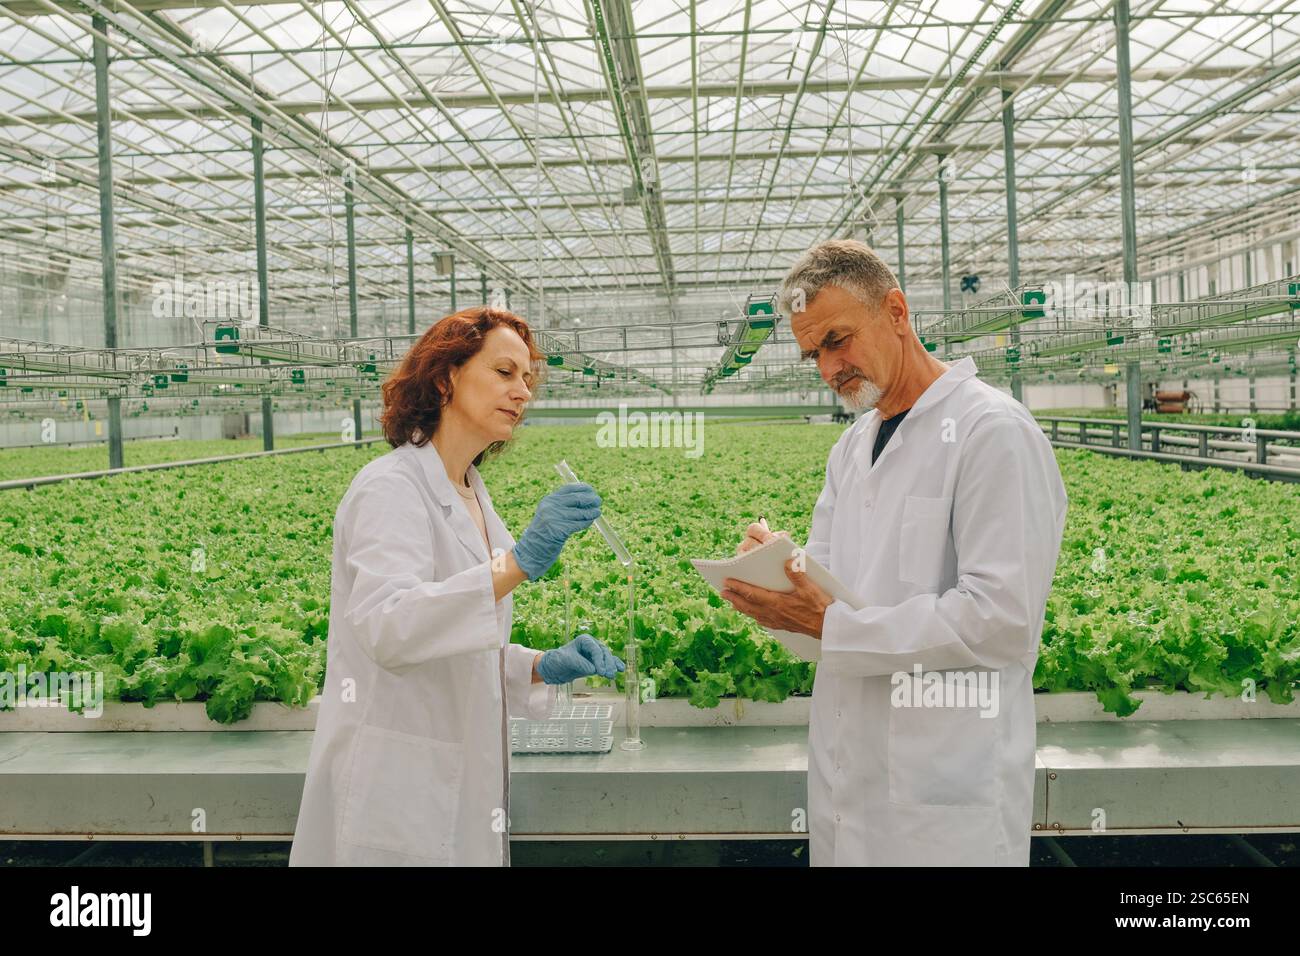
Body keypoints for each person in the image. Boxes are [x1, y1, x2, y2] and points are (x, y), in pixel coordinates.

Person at [722, 240, 1068, 866]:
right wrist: (781, 576)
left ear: (898, 311)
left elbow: (1004, 619)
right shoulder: (852, 447)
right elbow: (831, 595)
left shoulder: (993, 432)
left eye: (837, 339)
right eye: (813, 353)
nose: (829, 367)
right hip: (848, 781)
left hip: (943, 796)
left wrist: (834, 626)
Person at [290, 307, 624, 867]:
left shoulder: (472, 492)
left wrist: (537, 666)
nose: (522, 393)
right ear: (445, 378)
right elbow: (389, 627)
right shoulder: (390, 488)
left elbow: (453, 645)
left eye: (527, 379)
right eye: (504, 373)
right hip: (395, 789)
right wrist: (516, 563)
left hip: (455, 784)